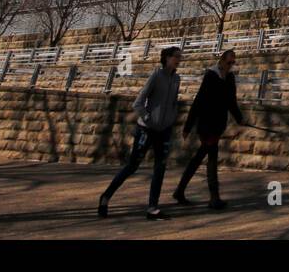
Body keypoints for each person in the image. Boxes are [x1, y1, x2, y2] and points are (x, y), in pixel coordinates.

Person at [99, 46, 182, 221]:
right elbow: (138, 102)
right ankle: (105, 197)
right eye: (176, 56)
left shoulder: (177, 79)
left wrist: (171, 118)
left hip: (164, 130)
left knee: (160, 168)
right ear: (166, 58)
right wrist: (148, 118)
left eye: (179, 57)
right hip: (147, 128)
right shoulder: (156, 76)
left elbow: (174, 102)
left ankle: (153, 207)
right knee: (132, 166)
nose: (178, 59)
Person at [172, 49, 244, 210]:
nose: (231, 65)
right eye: (229, 62)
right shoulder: (211, 75)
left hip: (218, 124)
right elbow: (199, 100)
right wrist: (188, 126)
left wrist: (239, 118)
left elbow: (231, 101)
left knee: (200, 157)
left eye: (233, 63)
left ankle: (181, 190)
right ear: (222, 60)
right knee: (211, 157)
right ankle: (214, 197)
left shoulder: (230, 77)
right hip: (206, 123)